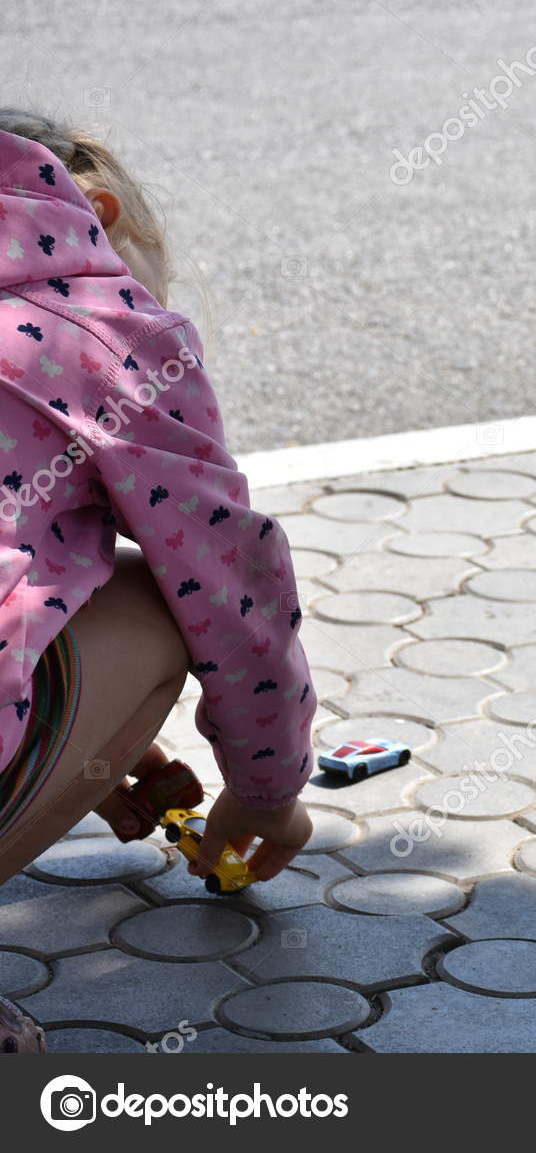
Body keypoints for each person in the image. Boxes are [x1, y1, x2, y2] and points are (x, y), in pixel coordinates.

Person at [0, 113, 317, 1050]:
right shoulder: (91, 323)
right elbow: (231, 586)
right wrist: (267, 790)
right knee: (154, 600)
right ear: (93, 212)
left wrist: (89, 751)